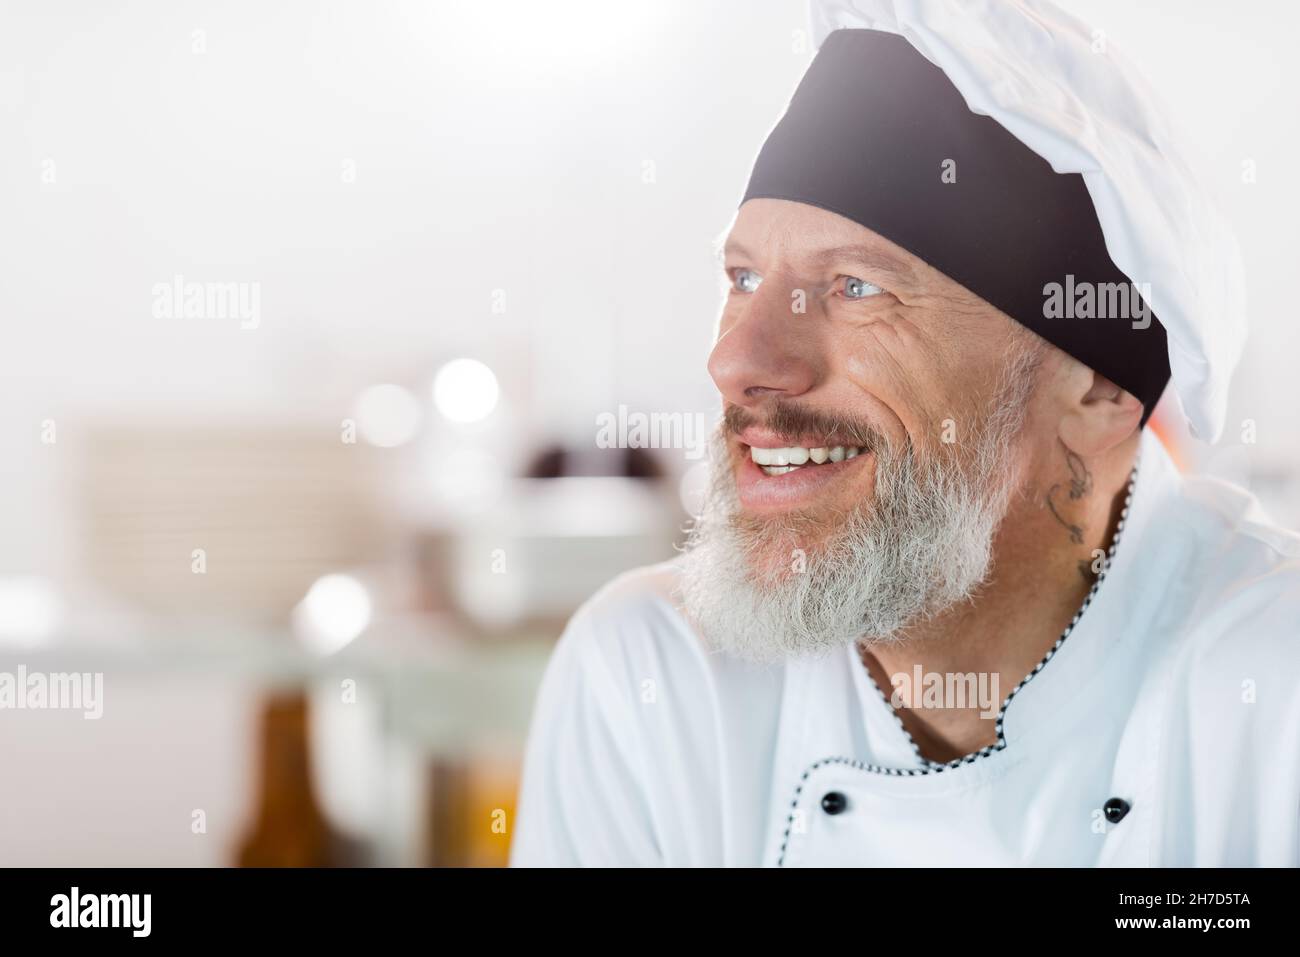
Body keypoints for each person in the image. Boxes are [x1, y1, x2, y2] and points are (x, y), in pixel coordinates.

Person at [510, 0, 1300, 866]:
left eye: (855, 288)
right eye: (743, 277)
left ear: (1101, 389)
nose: (738, 360)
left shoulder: (1272, 694)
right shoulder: (653, 681)